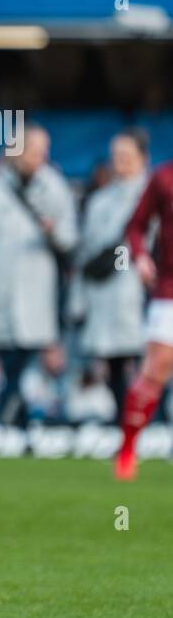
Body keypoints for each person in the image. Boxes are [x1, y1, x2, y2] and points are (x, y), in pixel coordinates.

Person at [0, 124, 78, 423]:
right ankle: (13, 425)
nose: (40, 156)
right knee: (9, 364)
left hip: (40, 295)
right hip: (1, 294)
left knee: (28, 366)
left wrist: (53, 232)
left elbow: (71, 241)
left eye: (43, 150)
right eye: (34, 150)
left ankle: (10, 424)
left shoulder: (55, 187)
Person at [71, 130, 149, 416]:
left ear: (143, 158)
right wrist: (79, 300)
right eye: (117, 156)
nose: (121, 163)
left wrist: (121, 264)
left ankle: (154, 425)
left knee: (151, 365)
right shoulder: (99, 202)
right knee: (115, 365)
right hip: (105, 296)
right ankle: (124, 423)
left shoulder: (155, 196)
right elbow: (86, 253)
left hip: (142, 294)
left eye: (127, 156)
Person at [115, 148, 173, 480]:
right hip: (169, 290)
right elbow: (136, 224)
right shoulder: (163, 178)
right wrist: (139, 257)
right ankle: (127, 450)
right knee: (155, 371)